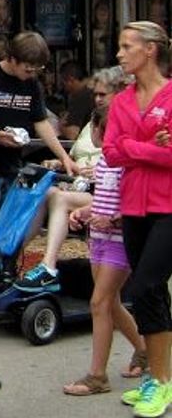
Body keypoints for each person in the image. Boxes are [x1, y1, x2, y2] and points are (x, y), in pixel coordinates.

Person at [103, 21, 172, 418]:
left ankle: (159, 381)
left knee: (146, 285)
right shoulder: (122, 101)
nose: (119, 53)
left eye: (126, 46)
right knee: (150, 292)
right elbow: (110, 152)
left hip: (167, 208)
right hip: (133, 207)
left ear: (150, 50)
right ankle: (159, 378)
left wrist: (134, 148)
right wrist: (149, 145)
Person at [10, 67, 129, 292]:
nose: (97, 98)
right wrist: (60, 162)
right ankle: (10, 256)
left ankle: (48, 265)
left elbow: (116, 160)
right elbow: (76, 154)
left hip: (102, 191)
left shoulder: (117, 122)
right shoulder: (92, 121)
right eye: (96, 94)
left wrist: (93, 169)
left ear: (117, 94)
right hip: (79, 182)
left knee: (59, 198)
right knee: (42, 191)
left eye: (103, 94)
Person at [63, 107, 146, 395]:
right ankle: (144, 350)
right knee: (110, 303)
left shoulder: (128, 164)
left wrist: (109, 219)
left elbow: (136, 205)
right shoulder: (103, 163)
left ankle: (97, 375)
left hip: (119, 241)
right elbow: (103, 200)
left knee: (99, 302)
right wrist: (86, 212)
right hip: (98, 237)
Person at [0, 31, 77, 221]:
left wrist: (64, 157)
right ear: (12, 59)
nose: (31, 74)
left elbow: (41, 122)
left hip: (13, 165)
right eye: (27, 69)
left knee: (10, 228)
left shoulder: (32, 85)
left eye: (35, 70)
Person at [58, 61, 94, 141]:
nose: (65, 88)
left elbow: (72, 134)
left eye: (63, 84)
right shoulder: (94, 91)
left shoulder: (81, 97)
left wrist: (60, 125)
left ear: (71, 80)